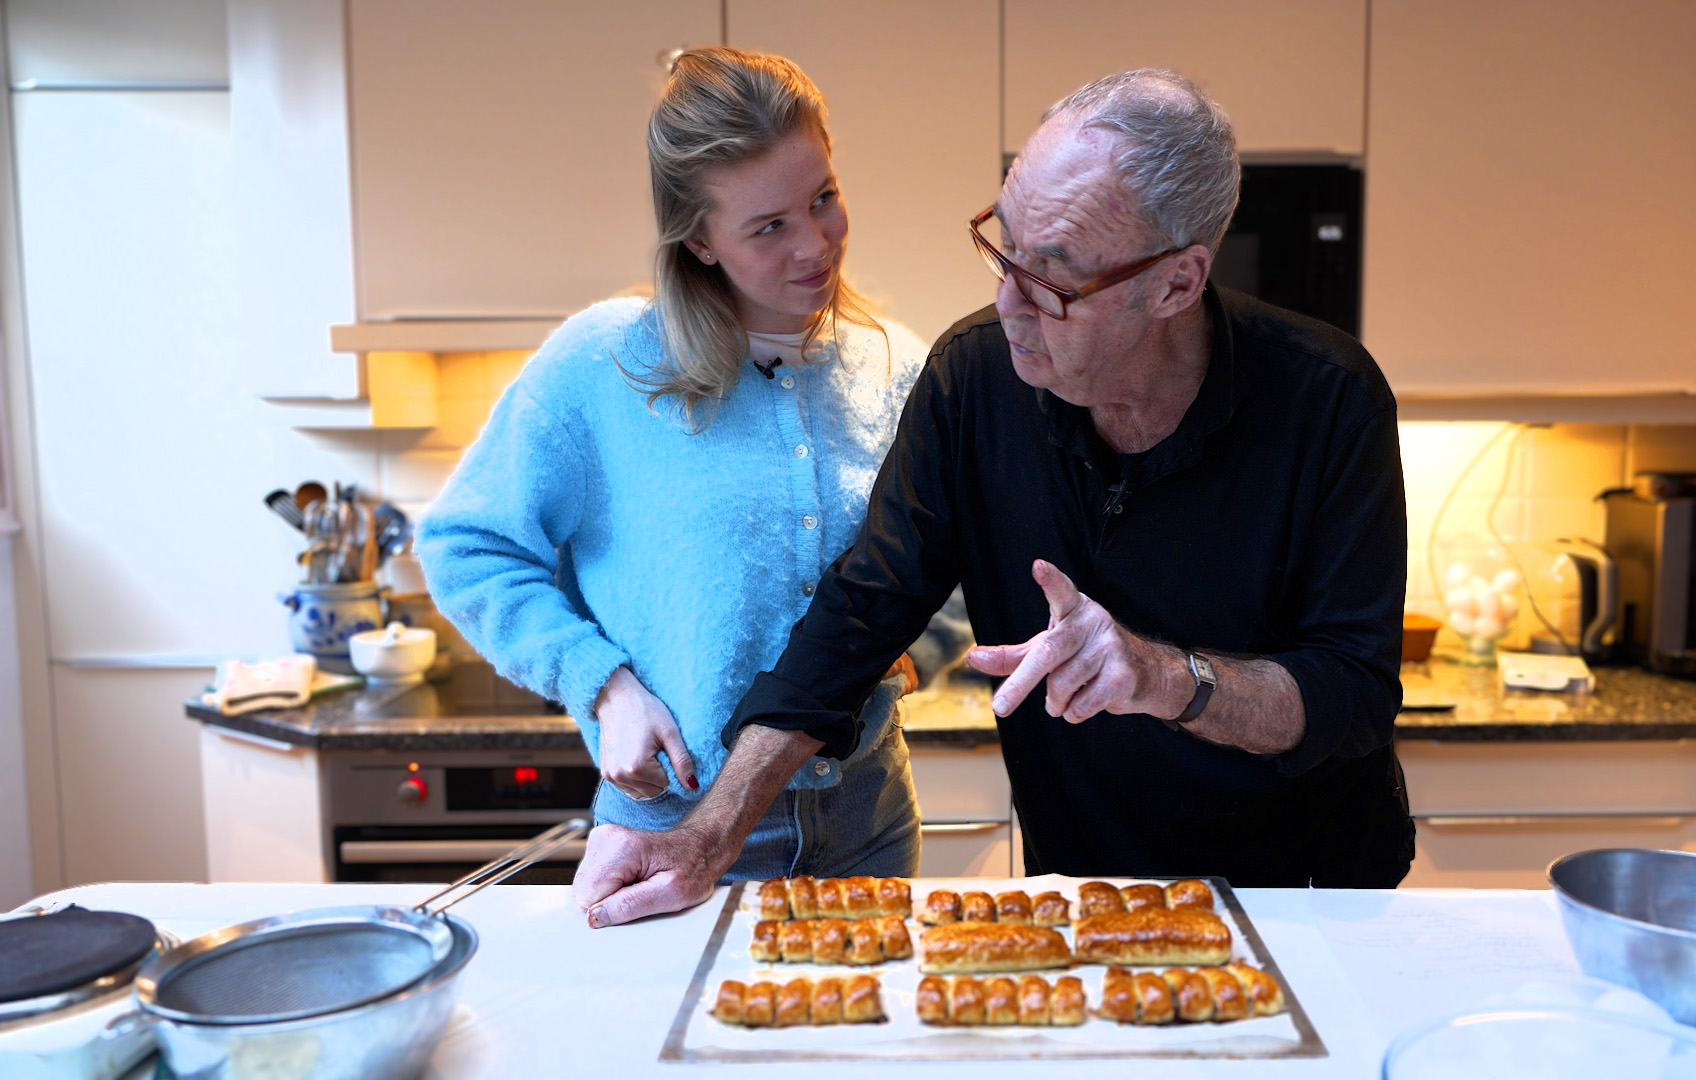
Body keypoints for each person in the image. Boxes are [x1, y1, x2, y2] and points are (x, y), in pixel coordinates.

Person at [573, 68, 1414, 926]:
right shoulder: (973, 380)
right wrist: (705, 835)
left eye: (1052, 282)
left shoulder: (1328, 398)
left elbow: (1352, 695)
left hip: (1310, 895)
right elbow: (862, 612)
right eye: (1001, 247)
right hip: (1087, 890)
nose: (1007, 304)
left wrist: (1162, 676)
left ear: (1176, 285)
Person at [417, 47, 934, 920]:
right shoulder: (604, 364)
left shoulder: (897, 367)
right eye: (768, 226)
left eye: (824, 198)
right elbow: (465, 546)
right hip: (670, 828)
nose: (816, 244)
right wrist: (601, 684)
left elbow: (949, 552)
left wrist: (921, 648)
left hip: (869, 826)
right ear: (699, 238)